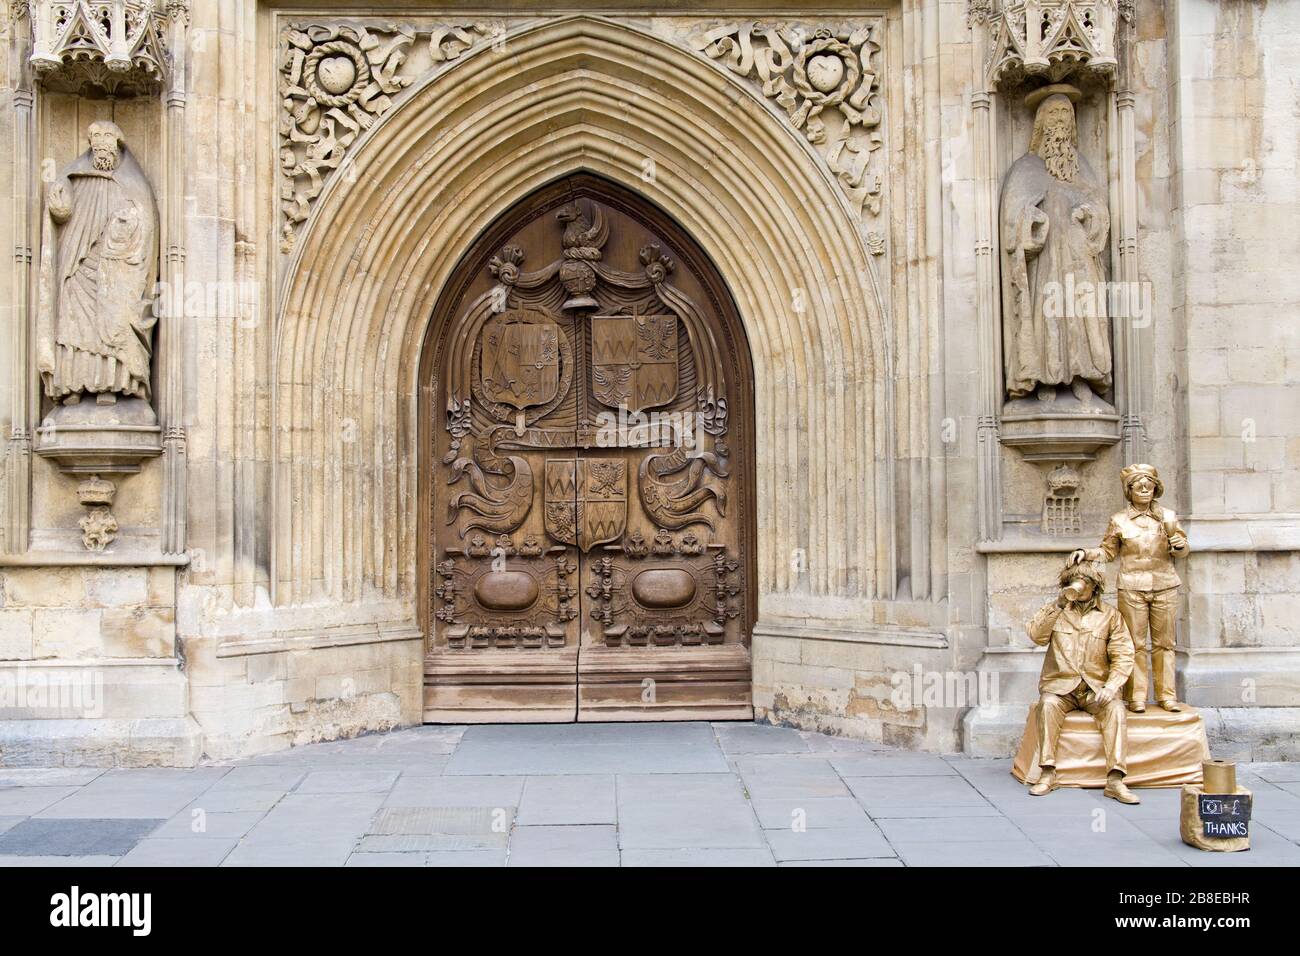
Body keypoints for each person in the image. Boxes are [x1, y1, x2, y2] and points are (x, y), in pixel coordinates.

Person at [1000, 84, 1112, 403]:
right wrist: (1032, 220)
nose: (1061, 120)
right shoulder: (1027, 168)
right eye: (1054, 113)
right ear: (1041, 122)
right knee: (1046, 318)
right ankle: (1045, 381)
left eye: (1066, 113)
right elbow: (1014, 213)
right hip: (1046, 263)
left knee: (1077, 317)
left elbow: (1099, 208)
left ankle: (1080, 376)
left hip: (1077, 263)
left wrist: (1088, 215)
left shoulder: (1081, 168)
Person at [1070, 463, 1188, 713]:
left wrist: (1178, 544)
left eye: (1150, 486)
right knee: (1134, 644)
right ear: (1130, 490)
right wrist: (1086, 553)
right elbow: (1108, 551)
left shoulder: (1168, 517)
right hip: (1132, 586)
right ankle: (1137, 697)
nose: (1145, 490)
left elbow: (1183, 549)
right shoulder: (1119, 520)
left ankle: (1167, 696)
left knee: (1165, 643)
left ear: (1156, 489)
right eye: (1139, 486)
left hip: (1164, 584)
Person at [1026, 559, 1139, 803]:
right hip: (1061, 687)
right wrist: (1058, 604)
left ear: (1094, 585)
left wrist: (1112, 685)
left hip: (1095, 689)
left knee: (1116, 710)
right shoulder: (1058, 611)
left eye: (1083, 582)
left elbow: (1124, 654)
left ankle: (1116, 779)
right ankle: (1047, 772)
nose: (1076, 586)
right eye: (1072, 581)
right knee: (1047, 705)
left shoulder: (1111, 616)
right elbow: (1036, 636)